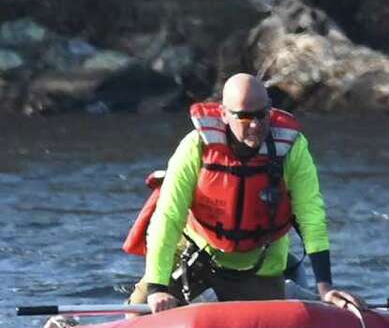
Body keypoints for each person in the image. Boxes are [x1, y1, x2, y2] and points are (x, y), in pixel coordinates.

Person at [124, 73, 366, 312]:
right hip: (193, 262)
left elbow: (311, 216)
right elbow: (169, 216)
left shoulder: (292, 149)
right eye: (244, 117)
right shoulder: (195, 146)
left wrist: (326, 287)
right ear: (224, 114)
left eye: (262, 114)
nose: (255, 125)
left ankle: (291, 290)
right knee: (138, 309)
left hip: (260, 269)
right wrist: (157, 288)